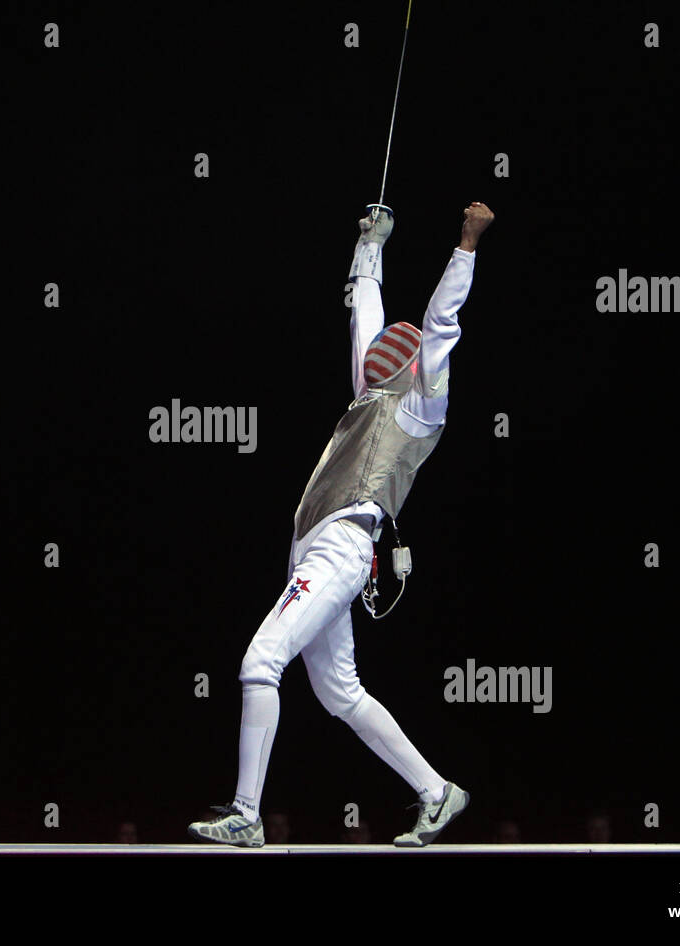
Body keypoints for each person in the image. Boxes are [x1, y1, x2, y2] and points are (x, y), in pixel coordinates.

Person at [188, 201, 494, 847]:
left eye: (399, 352)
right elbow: (366, 317)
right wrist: (370, 247)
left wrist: (465, 243)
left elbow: (441, 322)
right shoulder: (370, 392)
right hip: (312, 549)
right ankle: (438, 793)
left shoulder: (421, 411)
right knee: (341, 695)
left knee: (260, 662)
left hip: (343, 546)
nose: (385, 351)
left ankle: (247, 813)